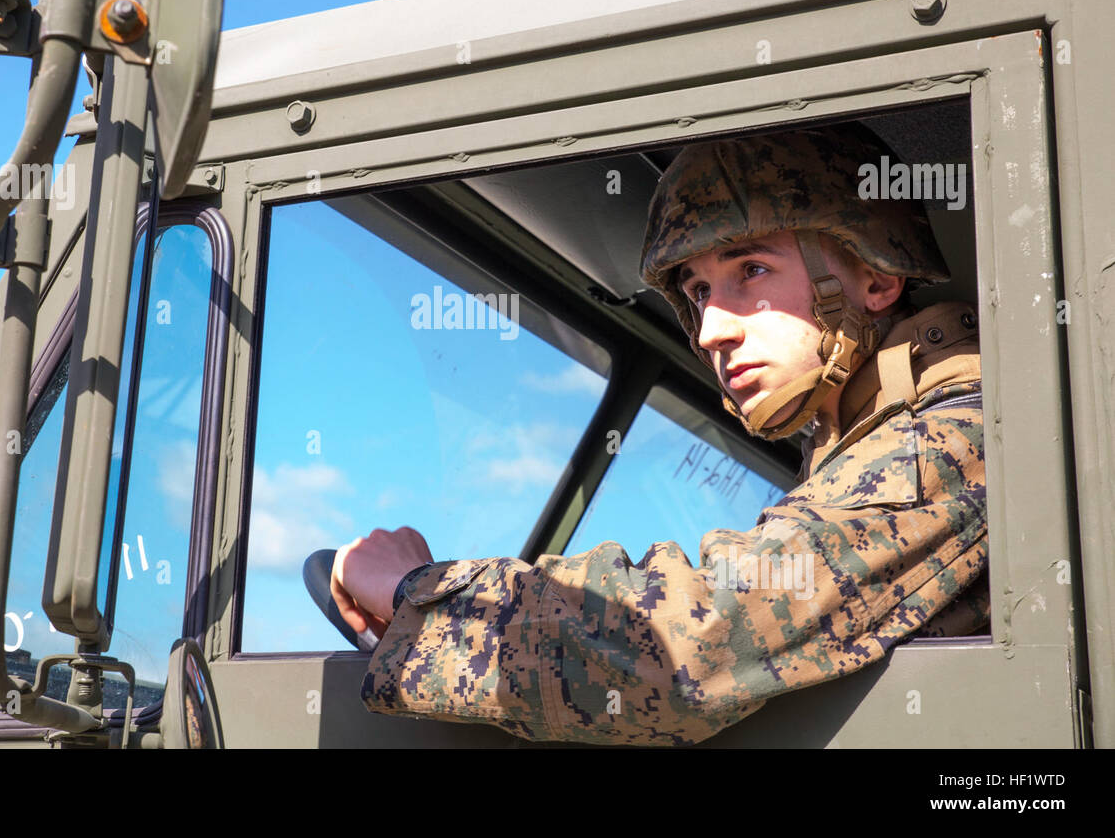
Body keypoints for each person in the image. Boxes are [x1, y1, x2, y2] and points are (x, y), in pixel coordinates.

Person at [331, 122, 989, 746]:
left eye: (750, 271)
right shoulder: (867, 447)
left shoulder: (953, 437)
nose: (711, 331)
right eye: (700, 292)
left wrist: (417, 594)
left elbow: (690, 647)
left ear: (875, 277)